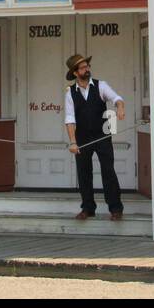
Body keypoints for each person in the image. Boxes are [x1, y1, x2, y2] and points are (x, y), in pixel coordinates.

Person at [64, 54, 125, 221]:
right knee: (84, 173)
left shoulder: (100, 85)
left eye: (87, 66)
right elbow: (70, 119)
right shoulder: (70, 92)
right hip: (82, 138)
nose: (87, 69)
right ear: (75, 73)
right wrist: (73, 142)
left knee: (108, 171)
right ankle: (88, 208)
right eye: (83, 68)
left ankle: (115, 208)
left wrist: (119, 107)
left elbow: (116, 98)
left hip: (102, 136)